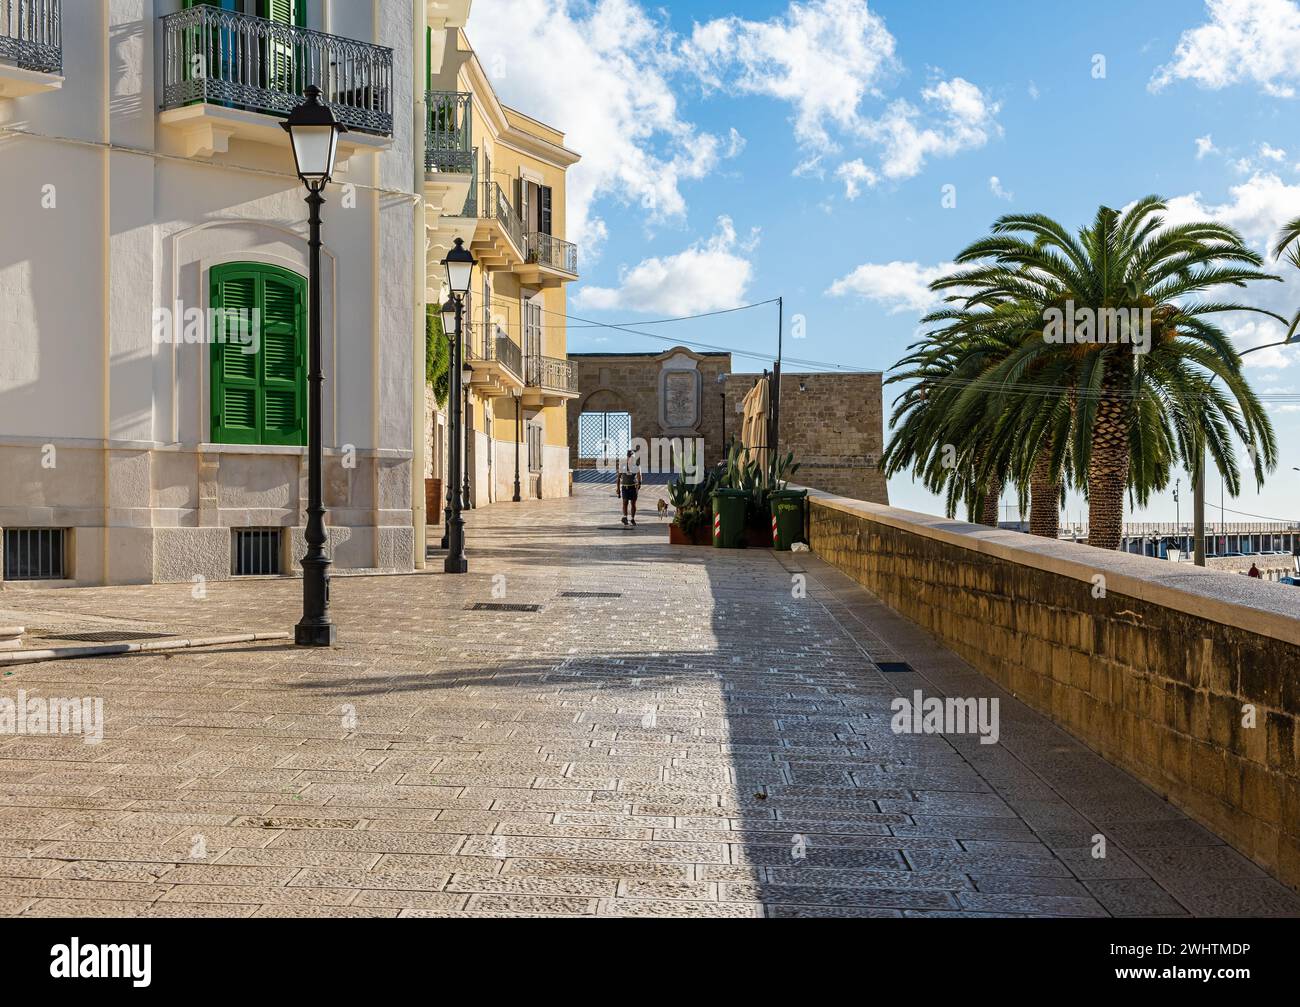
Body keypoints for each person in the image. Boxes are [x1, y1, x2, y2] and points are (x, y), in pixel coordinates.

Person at [619, 449, 642, 526]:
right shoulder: (623, 465)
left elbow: (639, 476)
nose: (630, 458)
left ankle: (632, 519)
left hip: (633, 487)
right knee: (625, 502)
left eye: (632, 456)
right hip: (625, 487)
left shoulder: (636, 465)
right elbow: (618, 477)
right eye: (629, 456)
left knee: (633, 503)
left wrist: (639, 484)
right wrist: (618, 489)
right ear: (627, 457)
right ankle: (625, 517)